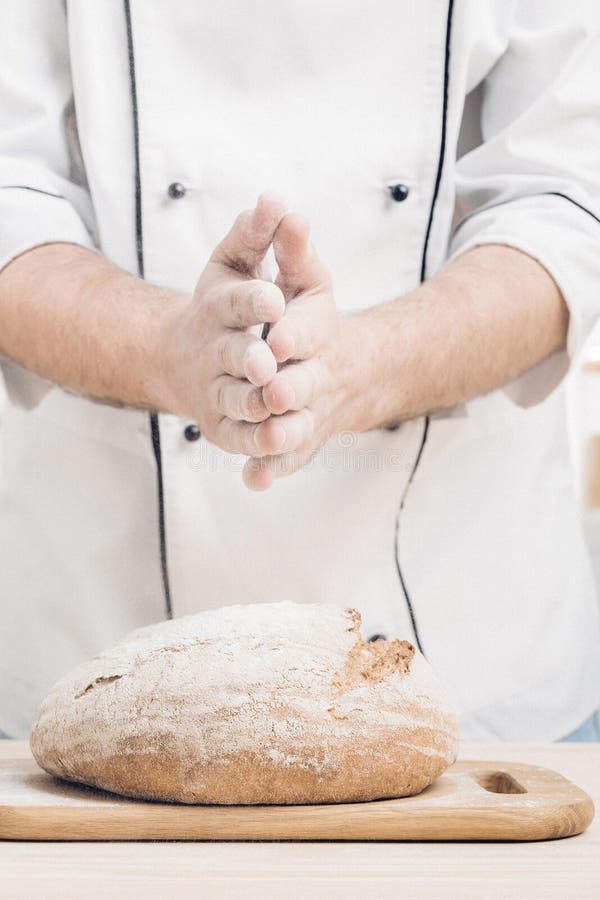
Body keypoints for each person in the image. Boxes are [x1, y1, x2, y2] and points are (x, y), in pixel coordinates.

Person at [1, 0, 599, 743]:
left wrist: (365, 365)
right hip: (90, 635)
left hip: (473, 645)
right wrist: (168, 350)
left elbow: (567, 202)